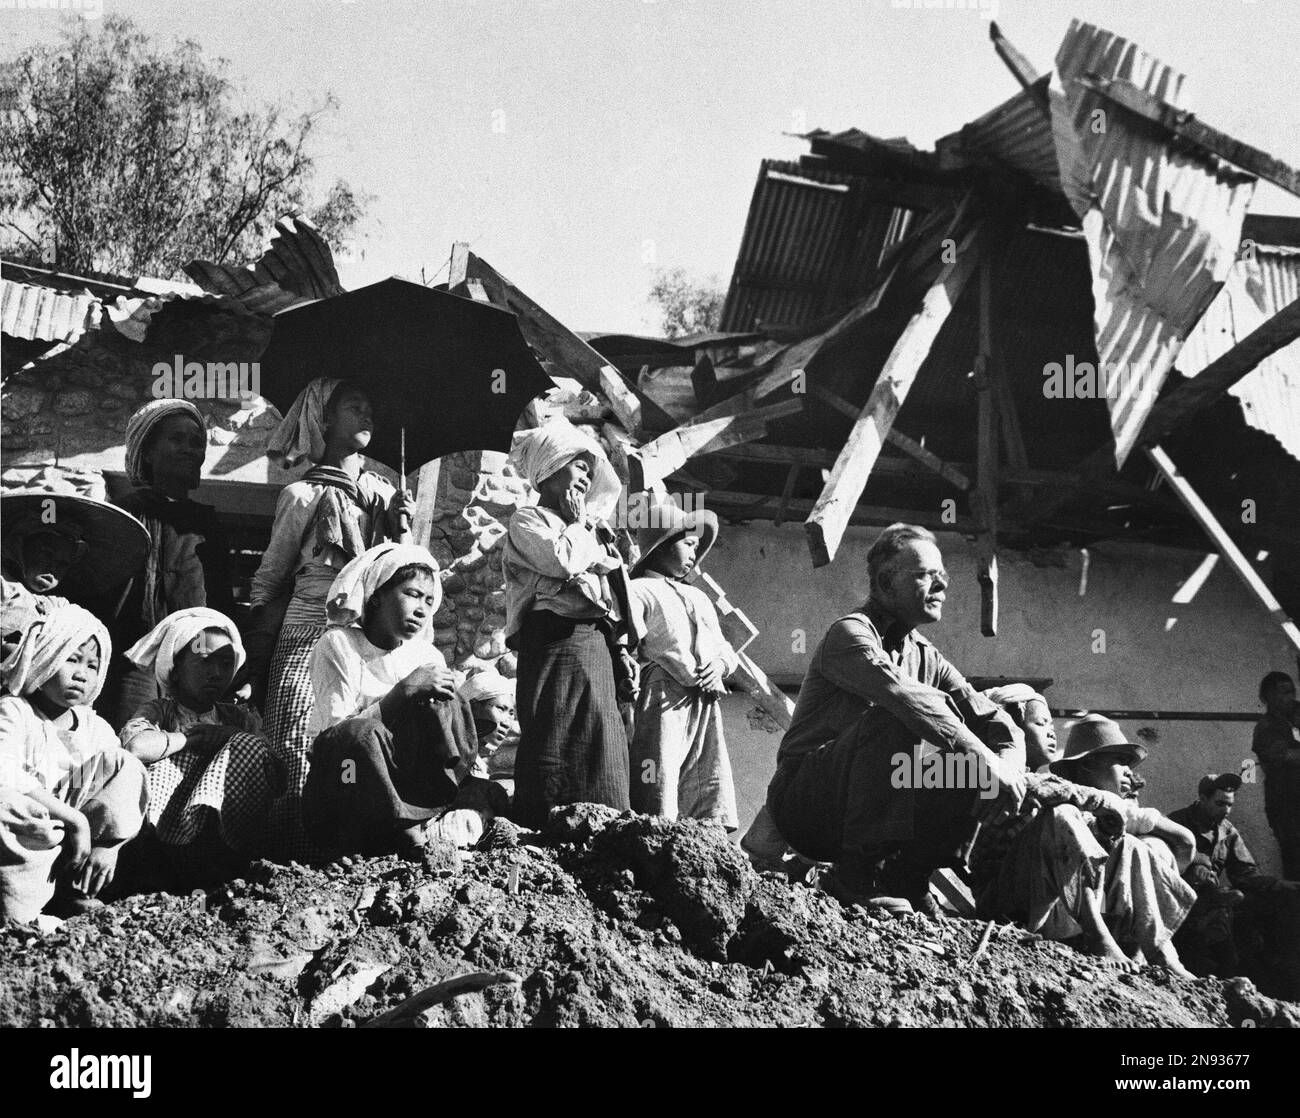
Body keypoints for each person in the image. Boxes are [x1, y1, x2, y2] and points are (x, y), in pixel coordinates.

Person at [765, 523, 1026, 915]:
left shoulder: (926, 654)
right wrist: (984, 757)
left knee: (965, 762)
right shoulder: (850, 634)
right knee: (903, 716)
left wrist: (1008, 765)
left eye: (943, 576)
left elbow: (992, 719)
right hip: (806, 806)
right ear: (886, 583)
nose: (941, 587)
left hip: (857, 811)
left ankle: (910, 875)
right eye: (925, 576)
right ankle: (852, 877)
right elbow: (902, 697)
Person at [250, 379, 411, 856]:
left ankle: (343, 866)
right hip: (305, 636)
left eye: (371, 410)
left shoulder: (383, 496)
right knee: (301, 746)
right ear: (324, 419)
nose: (367, 417)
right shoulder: (302, 496)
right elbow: (269, 580)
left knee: (359, 747)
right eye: (354, 406)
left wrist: (400, 530)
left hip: (359, 642)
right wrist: (258, 660)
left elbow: (399, 577)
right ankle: (288, 864)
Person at [301, 543, 496, 859]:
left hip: (409, 788)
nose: (422, 608)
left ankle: (423, 814)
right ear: (376, 594)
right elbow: (337, 738)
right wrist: (401, 693)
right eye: (413, 594)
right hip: (344, 788)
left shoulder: (426, 656)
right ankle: (398, 828)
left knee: (444, 701)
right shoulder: (339, 645)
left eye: (430, 600)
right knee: (359, 734)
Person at [501, 420, 639, 829]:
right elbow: (560, 561)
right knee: (553, 737)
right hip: (552, 644)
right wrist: (580, 529)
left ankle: (605, 836)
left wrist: (619, 650)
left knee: (602, 741)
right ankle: (547, 837)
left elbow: (611, 597)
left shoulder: (596, 533)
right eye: (577, 467)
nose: (585, 477)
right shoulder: (528, 521)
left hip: (592, 645)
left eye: (589, 471)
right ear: (549, 468)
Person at [972, 687, 1146, 967]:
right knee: (1063, 813)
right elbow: (1036, 787)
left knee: (1129, 844)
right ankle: (1098, 936)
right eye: (1041, 724)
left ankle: (1149, 946)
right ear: (1009, 729)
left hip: (1045, 901)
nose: (1052, 734)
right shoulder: (992, 772)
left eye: (1053, 726)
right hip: (1007, 905)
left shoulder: (1038, 782)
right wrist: (1104, 800)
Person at [0, 605, 146, 922]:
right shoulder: (15, 711)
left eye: (92, 665)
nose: (82, 673)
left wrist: (110, 846)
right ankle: (23, 912)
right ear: (47, 655)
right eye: (72, 658)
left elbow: (116, 784)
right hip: (37, 821)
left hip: (76, 824)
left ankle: (75, 891)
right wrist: (73, 819)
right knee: (7, 805)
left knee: (124, 763)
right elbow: (4, 772)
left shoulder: (94, 726)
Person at [119, 608, 284, 882]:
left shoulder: (238, 717)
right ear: (176, 668)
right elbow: (135, 747)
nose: (216, 673)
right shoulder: (161, 711)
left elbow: (275, 772)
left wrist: (227, 736)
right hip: (166, 832)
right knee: (164, 757)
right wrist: (186, 739)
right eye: (205, 662)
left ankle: (225, 856)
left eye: (225, 663)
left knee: (246, 743)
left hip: (225, 833)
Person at [106, 399, 236, 728]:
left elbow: (221, 600)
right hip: (137, 659)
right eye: (176, 439)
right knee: (133, 741)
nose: (189, 449)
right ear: (148, 452)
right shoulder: (124, 514)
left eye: (196, 443)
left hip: (197, 661)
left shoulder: (207, 526)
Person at [1050, 716, 1197, 977]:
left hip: (1106, 910)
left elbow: (1185, 843)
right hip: (1062, 912)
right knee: (1127, 844)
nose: (1129, 771)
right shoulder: (1066, 800)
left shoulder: (1120, 808)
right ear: (1086, 766)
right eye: (1119, 761)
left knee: (1151, 846)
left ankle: (1150, 950)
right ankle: (1151, 950)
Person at [627, 498, 739, 829]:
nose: (693, 554)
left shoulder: (698, 598)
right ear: (661, 544)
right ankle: (655, 831)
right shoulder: (639, 590)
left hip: (706, 697)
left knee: (707, 773)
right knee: (658, 768)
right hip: (662, 694)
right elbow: (626, 643)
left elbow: (724, 647)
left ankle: (707, 835)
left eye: (696, 547)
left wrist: (719, 665)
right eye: (687, 544)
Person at [1168, 773, 1300, 989]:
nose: (1226, 810)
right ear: (1202, 797)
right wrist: (1195, 865)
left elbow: (1245, 873)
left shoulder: (1227, 831)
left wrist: (1281, 888)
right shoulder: (1176, 823)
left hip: (1215, 901)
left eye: (1230, 805)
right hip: (1180, 900)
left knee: (1258, 907)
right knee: (1220, 923)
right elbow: (1162, 865)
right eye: (1220, 804)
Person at [1, 491, 150, 677]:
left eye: (63, 563)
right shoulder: (3, 584)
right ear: (19, 545)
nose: (53, 566)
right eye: (47, 554)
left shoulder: (57, 606)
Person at [1252, 671, 1300, 878]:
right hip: (1287, 806)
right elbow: (1289, 756)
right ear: (1268, 697)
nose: (1291, 698)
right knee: (1295, 862)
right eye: (1284, 693)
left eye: (1292, 692)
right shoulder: (1266, 728)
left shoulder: (1296, 716)